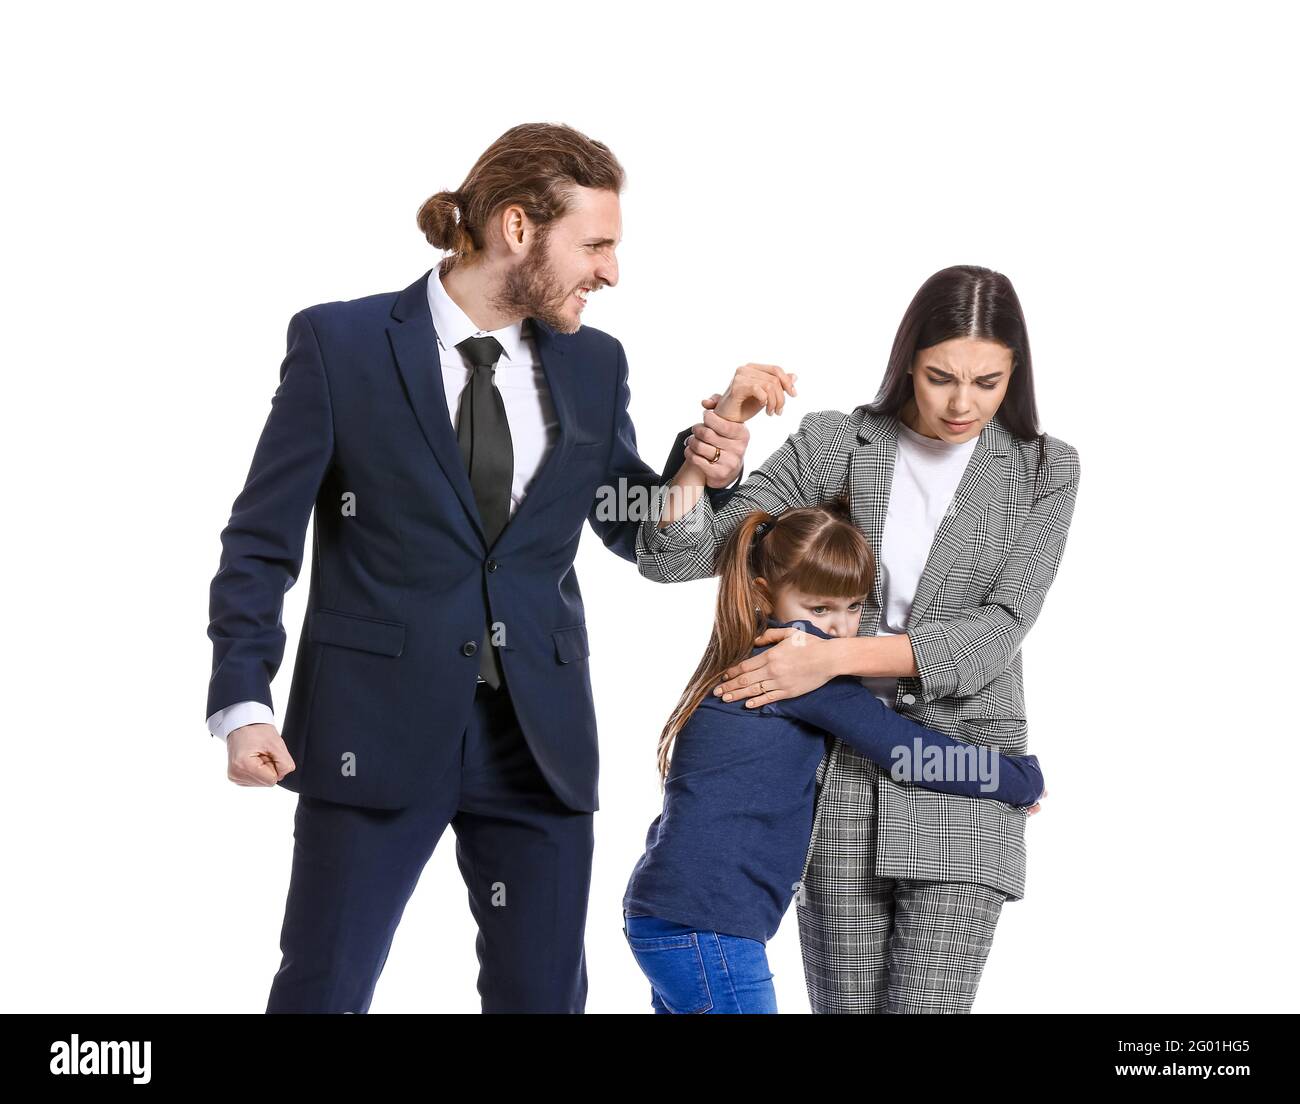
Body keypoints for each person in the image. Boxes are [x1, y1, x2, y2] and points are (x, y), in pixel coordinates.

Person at [204, 121, 796, 1013]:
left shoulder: (594, 364)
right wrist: (243, 702)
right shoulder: (342, 345)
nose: (611, 273)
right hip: (373, 729)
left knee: (542, 999)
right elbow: (261, 539)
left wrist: (697, 470)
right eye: (594, 246)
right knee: (325, 988)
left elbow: (630, 527)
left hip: (537, 742)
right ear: (518, 228)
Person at [636, 265, 1081, 1012]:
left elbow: (993, 634)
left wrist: (828, 659)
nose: (962, 403)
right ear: (909, 359)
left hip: (961, 771)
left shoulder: (1043, 470)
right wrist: (708, 453)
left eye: (988, 382)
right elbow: (674, 555)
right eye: (942, 377)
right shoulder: (838, 443)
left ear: (1015, 376)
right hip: (839, 784)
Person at [622, 497, 1045, 1013]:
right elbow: (906, 750)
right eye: (819, 608)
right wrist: (1016, 780)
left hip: (667, 913)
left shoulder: (751, 653)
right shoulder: (796, 666)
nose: (841, 630)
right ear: (763, 595)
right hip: (707, 924)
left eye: (853, 607)